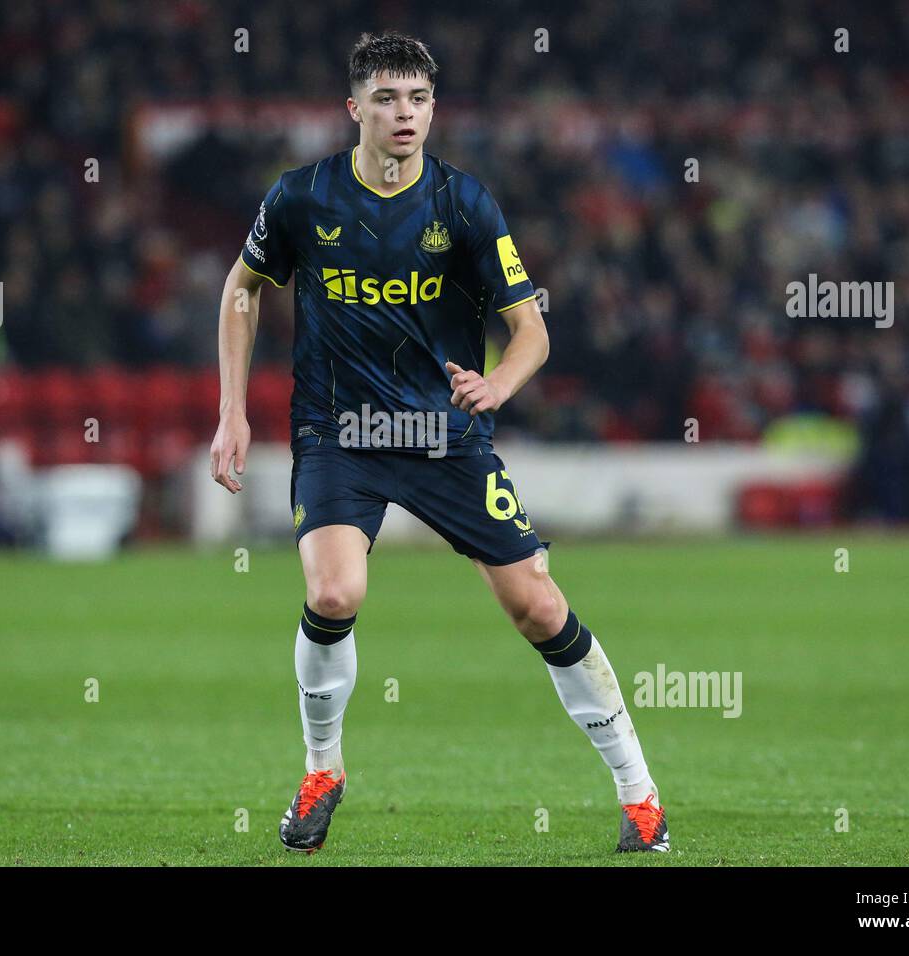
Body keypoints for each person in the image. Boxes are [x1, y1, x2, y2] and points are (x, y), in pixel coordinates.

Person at [209, 31, 668, 855]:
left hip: (442, 433)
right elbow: (243, 289)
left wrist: (499, 385)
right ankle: (321, 772)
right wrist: (231, 410)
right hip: (339, 431)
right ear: (355, 109)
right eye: (387, 98)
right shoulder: (302, 197)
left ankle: (641, 797)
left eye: (419, 98)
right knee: (334, 594)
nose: (405, 114)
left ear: (433, 108)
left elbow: (531, 331)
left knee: (537, 605)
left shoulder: (464, 204)